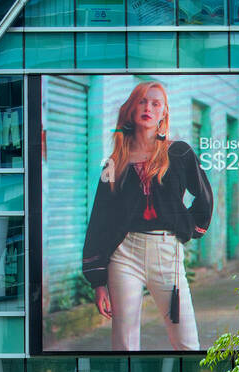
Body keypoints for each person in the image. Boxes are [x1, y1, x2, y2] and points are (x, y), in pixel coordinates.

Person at [81, 80, 213, 351]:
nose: (148, 108)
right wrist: (98, 282)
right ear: (131, 109)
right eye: (142, 101)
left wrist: (188, 226)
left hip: (166, 252)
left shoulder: (180, 152)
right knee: (124, 344)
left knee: (187, 343)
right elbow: (100, 218)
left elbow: (204, 197)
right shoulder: (114, 162)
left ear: (164, 112)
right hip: (124, 255)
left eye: (155, 103)